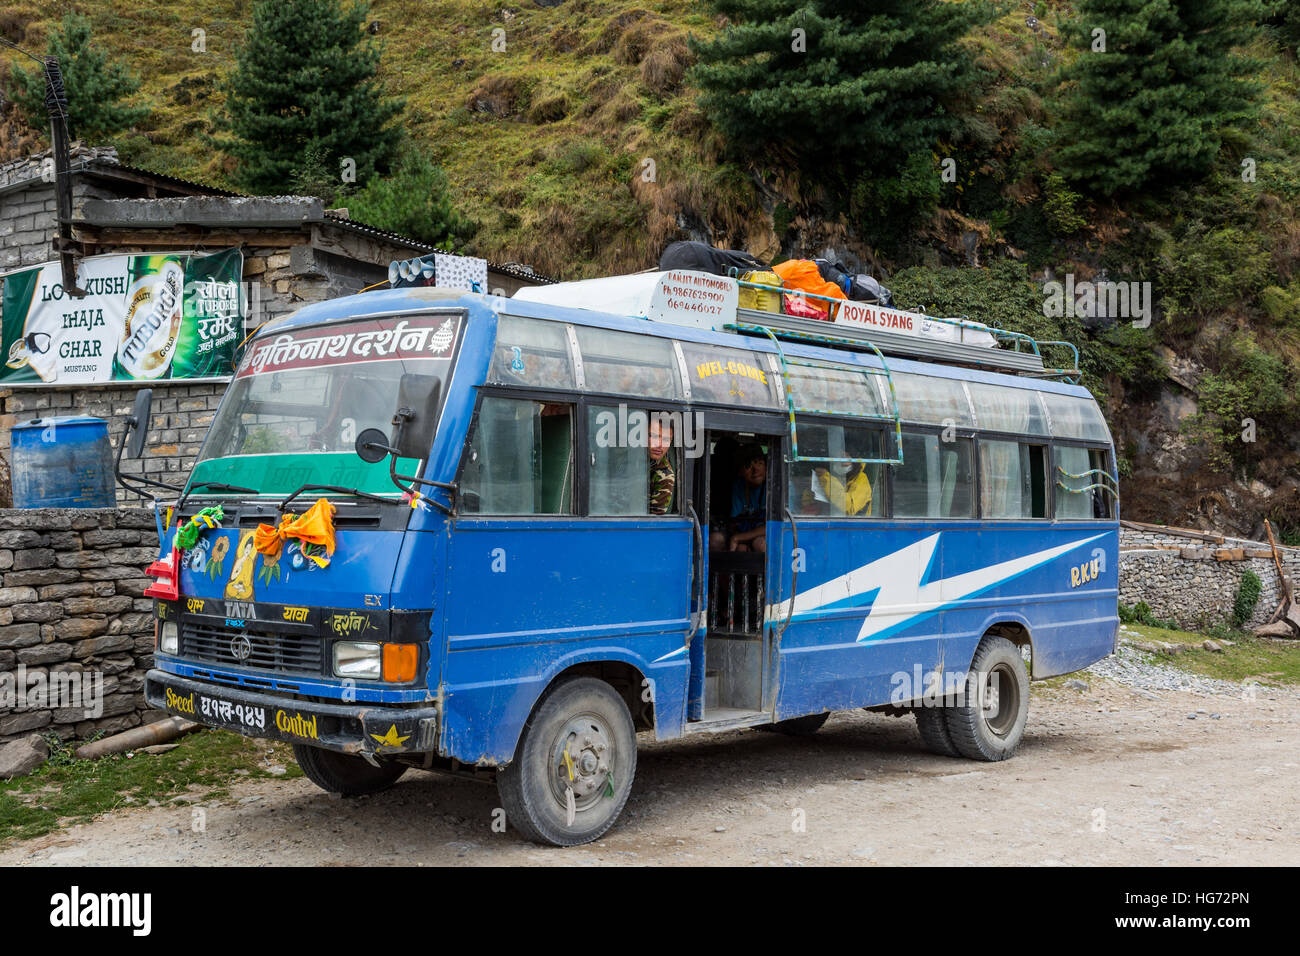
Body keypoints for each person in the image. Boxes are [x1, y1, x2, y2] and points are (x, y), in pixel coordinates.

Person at [711, 444, 767, 552]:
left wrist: (738, 538)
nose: (755, 470)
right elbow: (735, 522)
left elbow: (773, 527)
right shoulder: (739, 486)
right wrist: (739, 539)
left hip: (764, 535)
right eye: (748, 466)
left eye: (759, 463)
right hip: (746, 532)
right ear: (740, 471)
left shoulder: (774, 485)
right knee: (716, 541)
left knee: (760, 544)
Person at [647, 416, 676, 515]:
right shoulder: (625, 458)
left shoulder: (665, 476)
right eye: (654, 436)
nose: (659, 444)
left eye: (666, 439)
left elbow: (653, 522)